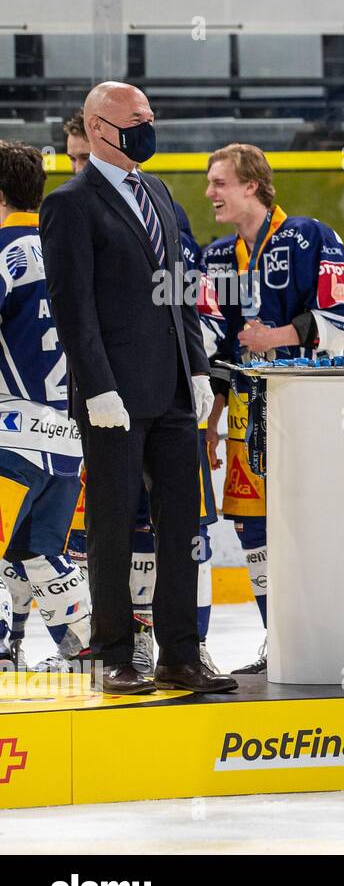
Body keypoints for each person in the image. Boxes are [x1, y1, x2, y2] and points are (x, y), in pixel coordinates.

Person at [39, 82, 233, 694]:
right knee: (112, 528)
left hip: (174, 389)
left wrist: (198, 368)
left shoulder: (158, 191)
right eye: (137, 119)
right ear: (100, 128)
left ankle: (180, 654)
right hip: (114, 398)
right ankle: (115, 655)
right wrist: (96, 386)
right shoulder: (71, 203)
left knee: (181, 528)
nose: (149, 127)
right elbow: (74, 307)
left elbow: (180, 292)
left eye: (150, 116)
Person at [202, 142, 344, 674]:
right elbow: (222, 347)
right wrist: (213, 417)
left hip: (304, 406)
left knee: (305, 525)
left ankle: (321, 638)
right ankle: (281, 639)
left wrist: (277, 335)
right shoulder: (218, 256)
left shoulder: (307, 235)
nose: (210, 193)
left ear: (252, 184)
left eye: (220, 182)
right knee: (253, 531)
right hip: (248, 414)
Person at [0, 141, 93, 673]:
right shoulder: (68, 249)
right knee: (41, 550)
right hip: (67, 435)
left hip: (13, 432)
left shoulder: (3, 254)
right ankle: (88, 648)